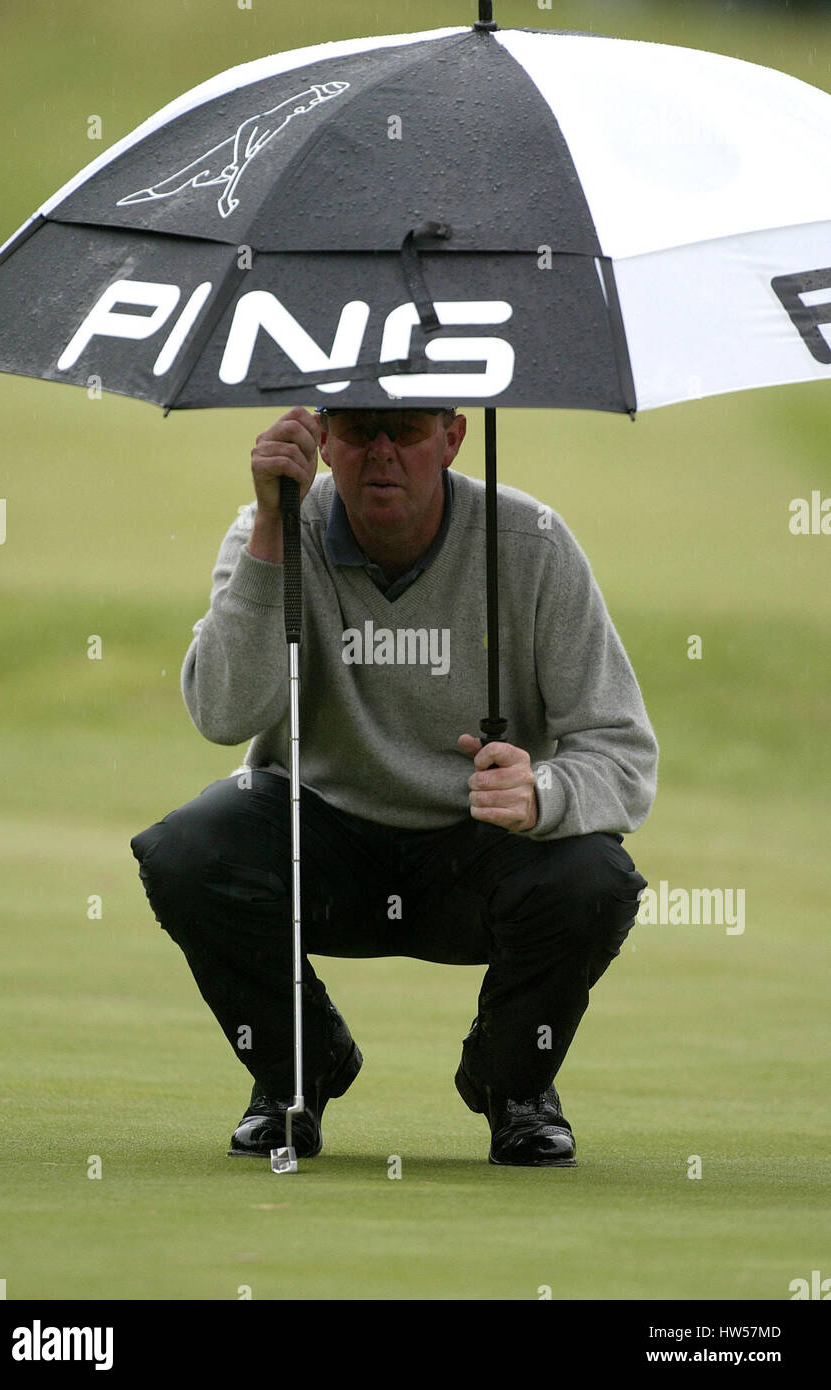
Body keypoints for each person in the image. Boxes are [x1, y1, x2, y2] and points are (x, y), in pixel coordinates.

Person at [130, 404, 657, 1167]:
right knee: (188, 849)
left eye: (405, 430)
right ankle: (295, 1075)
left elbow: (622, 751)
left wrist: (542, 792)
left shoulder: (531, 543)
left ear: (451, 436)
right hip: (324, 843)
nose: (380, 452)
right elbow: (220, 714)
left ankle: (511, 1084)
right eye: (357, 429)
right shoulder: (272, 530)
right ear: (323, 438)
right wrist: (271, 535)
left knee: (593, 877)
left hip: (480, 846)